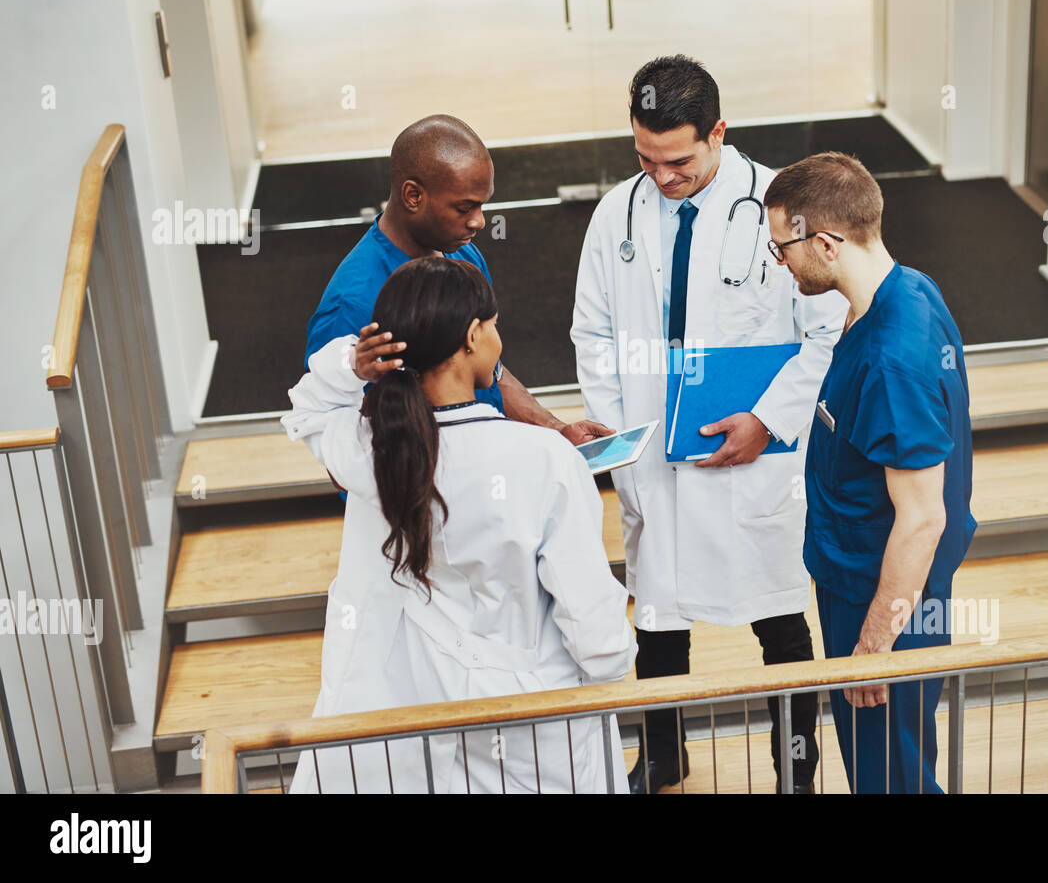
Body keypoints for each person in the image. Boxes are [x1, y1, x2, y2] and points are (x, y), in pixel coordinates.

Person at [571, 56, 848, 793]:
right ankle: (663, 753)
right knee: (657, 619)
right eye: (645, 158)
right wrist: (614, 431)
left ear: (719, 131)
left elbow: (827, 332)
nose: (661, 177)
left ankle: (797, 770)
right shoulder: (616, 214)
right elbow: (592, 332)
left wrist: (767, 420)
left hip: (756, 462)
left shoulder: (780, 208)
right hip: (653, 460)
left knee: (782, 620)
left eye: (679, 160)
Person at [284, 256, 637, 793]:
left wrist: (352, 366)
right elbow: (594, 627)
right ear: (472, 337)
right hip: (533, 724)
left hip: (418, 719)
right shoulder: (543, 459)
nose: (498, 337)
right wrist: (611, 666)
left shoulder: (368, 454)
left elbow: (308, 409)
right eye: (493, 325)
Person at [762, 152, 977, 794]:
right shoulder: (905, 288)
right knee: (895, 768)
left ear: (825, 243)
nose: (781, 264)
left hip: (882, 604)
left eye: (783, 249)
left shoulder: (890, 357)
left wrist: (873, 649)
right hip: (862, 582)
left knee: (891, 780)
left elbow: (922, 517)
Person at [306, 113, 611, 445]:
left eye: (482, 205)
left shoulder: (462, 255)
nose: (478, 221)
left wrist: (555, 429)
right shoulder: (351, 306)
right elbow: (339, 440)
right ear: (412, 196)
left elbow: (485, 368)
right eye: (465, 208)